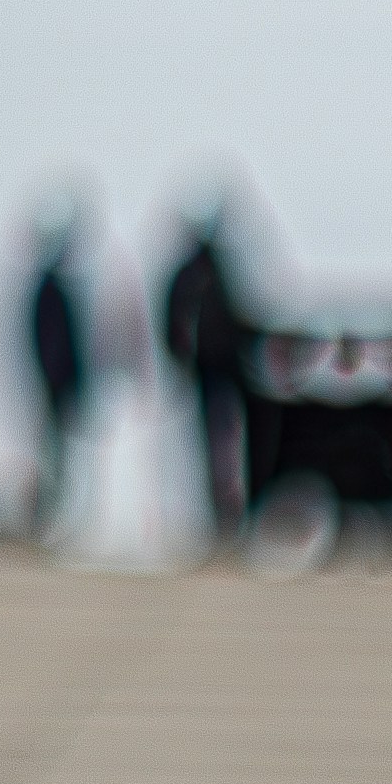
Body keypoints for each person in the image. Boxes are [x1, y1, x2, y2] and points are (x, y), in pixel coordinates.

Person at [155, 198, 248, 553]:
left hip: (227, 375)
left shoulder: (223, 271)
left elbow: (239, 320)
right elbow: (173, 325)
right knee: (212, 448)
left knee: (228, 446)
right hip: (206, 376)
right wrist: (181, 364)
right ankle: (217, 517)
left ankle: (229, 514)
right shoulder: (191, 275)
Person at [12, 189, 94, 542]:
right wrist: (58, 385)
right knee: (51, 462)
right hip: (52, 391)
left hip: (57, 391)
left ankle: (47, 525)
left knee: (58, 463)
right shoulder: (49, 291)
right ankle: (40, 526)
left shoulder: (54, 289)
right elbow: (50, 348)